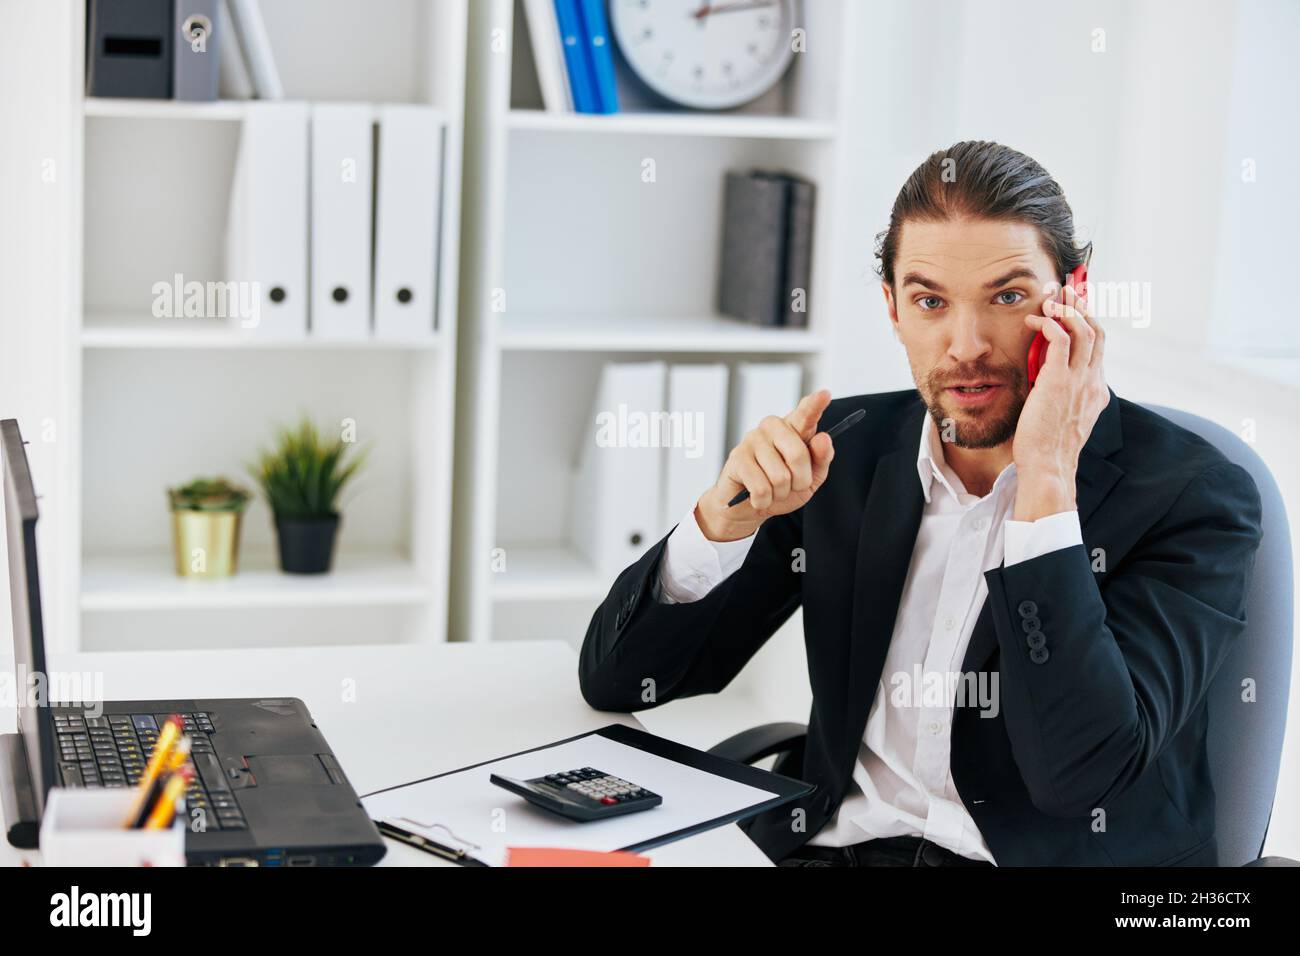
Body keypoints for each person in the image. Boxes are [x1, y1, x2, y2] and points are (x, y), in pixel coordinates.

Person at [578, 140, 1264, 866]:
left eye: (1007, 296)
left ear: (1073, 295)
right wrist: (724, 523)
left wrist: (1047, 488)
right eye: (930, 300)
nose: (964, 345)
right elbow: (618, 682)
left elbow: (1080, 775)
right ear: (893, 308)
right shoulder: (846, 452)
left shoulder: (1194, 497)